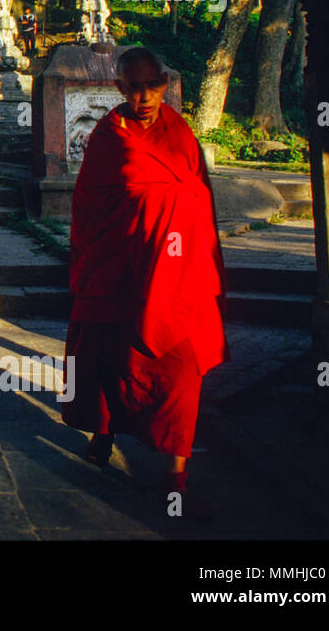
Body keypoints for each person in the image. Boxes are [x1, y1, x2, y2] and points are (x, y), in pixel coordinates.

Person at [61, 46, 227, 515]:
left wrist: (182, 225)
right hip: (119, 271)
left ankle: (177, 468)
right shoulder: (109, 137)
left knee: (179, 366)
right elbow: (89, 206)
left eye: (154, 85)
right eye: (135, 87)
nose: (146, 96)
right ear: (119, 89)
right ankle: (103, 431)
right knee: (107, 355)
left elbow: (199, 197)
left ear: (165, 83)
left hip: (175, 278)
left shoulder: (181, 133)